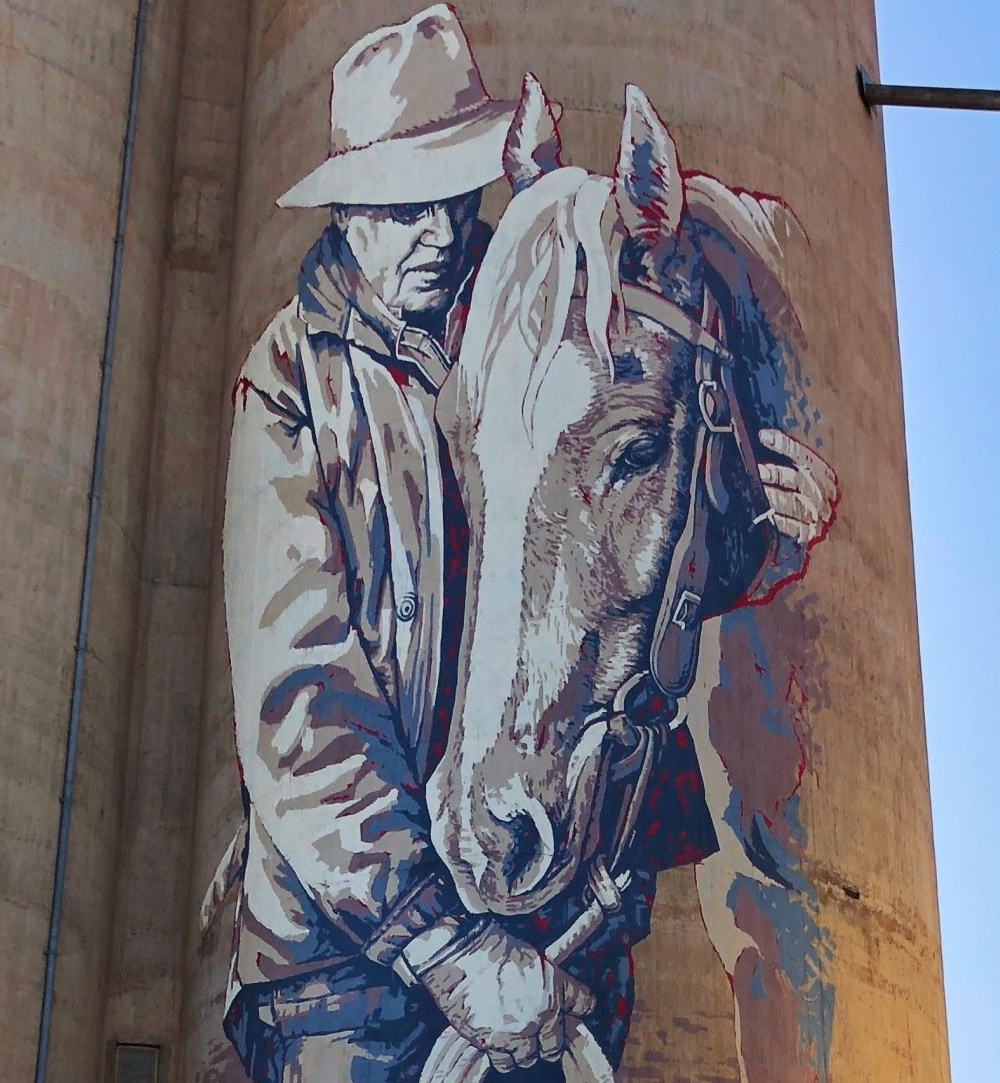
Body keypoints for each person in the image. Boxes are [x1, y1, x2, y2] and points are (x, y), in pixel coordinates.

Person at [218, 7, 838, 1081]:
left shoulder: (530, 317)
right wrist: (439, 942)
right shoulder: (292, 383)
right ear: (347, 213)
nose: (434, 235)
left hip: (567, 930)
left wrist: (777, 537)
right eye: (396, 207)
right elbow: (300, 699)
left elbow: (621, 550)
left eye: (451, 199)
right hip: (346, 966)